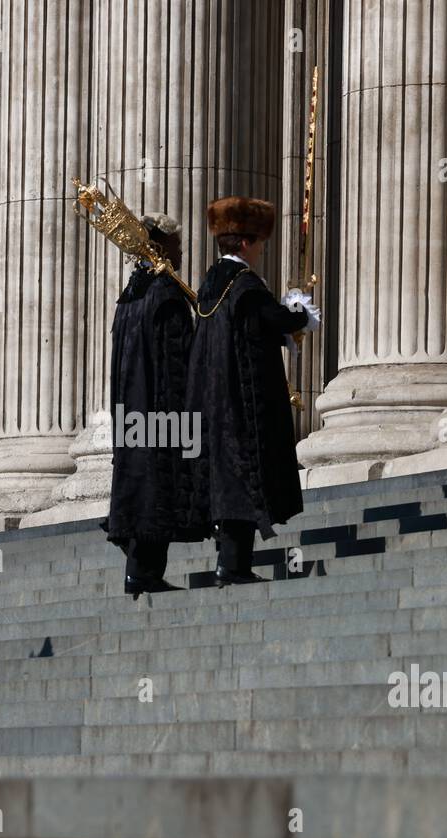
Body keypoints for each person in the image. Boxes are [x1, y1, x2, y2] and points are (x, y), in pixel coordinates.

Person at [181, 196, 321, 586]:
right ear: (245, 243)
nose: (261, 249)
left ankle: (229, 562)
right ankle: (234, 566)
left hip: (214, 403)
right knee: (243, 480)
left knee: (225, 480)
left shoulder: (212, 285)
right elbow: (270, 319)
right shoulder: (244, 284)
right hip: (242, 405)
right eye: (259, 241)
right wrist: (300, 313)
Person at [101, 214, 195, 598]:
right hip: (163, 410)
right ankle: (143, 571)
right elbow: (179, 357)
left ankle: (138, 567)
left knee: (137, 482)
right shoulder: (166, 294)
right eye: (177, 245)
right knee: (160, 486)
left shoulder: (129, 295)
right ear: (160, 247)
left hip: (131, 410)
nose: (182, 252)